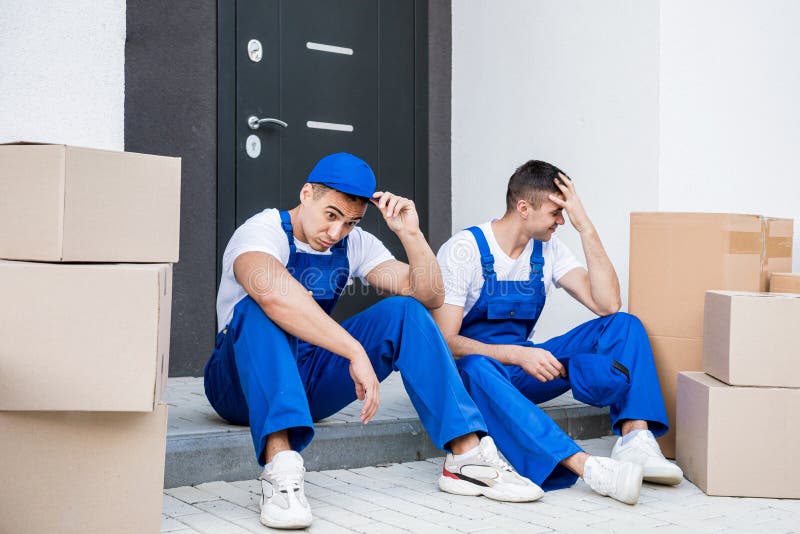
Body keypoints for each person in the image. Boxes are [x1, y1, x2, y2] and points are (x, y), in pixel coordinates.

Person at [204, 153, 543, 530]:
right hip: (236, 383)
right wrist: (352, 349)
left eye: (350, 223)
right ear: (306, 194)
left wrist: (410, 234)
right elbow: (273, 294)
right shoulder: (262, 230)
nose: (336, 233)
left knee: (405, 312)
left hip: (305, 379)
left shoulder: (354, 243)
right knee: (259, 304)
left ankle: (466, 455)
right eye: (331, 215)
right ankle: (280, 468)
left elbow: (429, 295)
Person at [432, 159, 682, 506]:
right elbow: (444, 341)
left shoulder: (548, 249)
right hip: (474, 376)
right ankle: (587, 467)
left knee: (624, 325)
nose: (561, 220)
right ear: (523, 208)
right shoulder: (465, 250)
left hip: (524, 369)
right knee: (476, 367)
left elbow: (607, 305)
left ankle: (635, 440)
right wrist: (519, 354)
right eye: (556, 212)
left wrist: (585, 227)